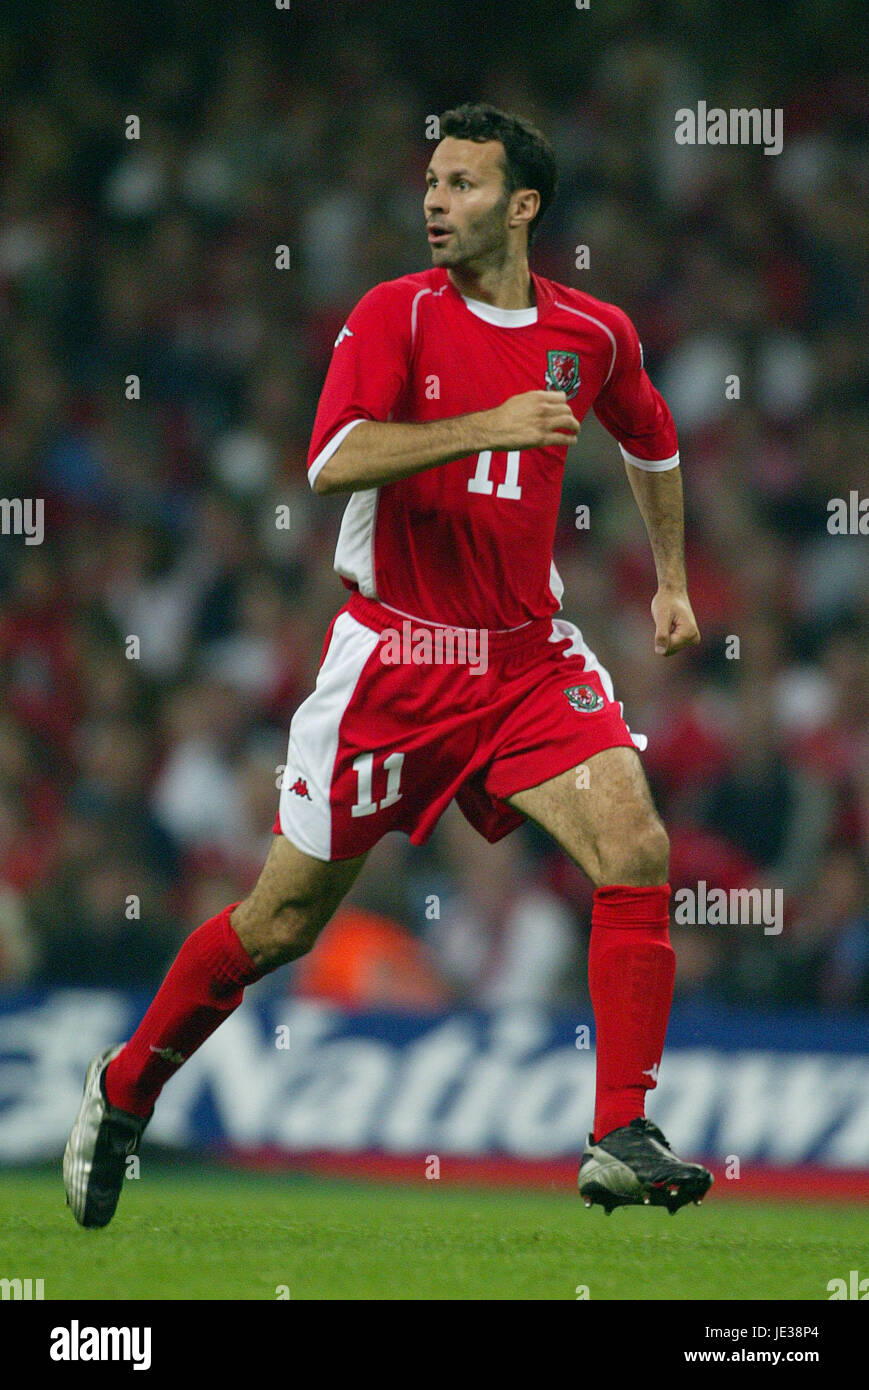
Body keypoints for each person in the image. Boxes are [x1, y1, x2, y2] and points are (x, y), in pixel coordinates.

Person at [65, 103, 711, 1227]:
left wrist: (668, 580)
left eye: (462, 183)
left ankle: (618, 1127)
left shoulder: (591, 333)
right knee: (277, 926)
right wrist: (489, 425)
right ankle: (124, 1093)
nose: (433, 201)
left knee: (636, 840)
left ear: (521, 206)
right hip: (396, 661)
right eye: (429, 181)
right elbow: (330, 458)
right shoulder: (392, 315)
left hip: (523, 659)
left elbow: (650, 436)